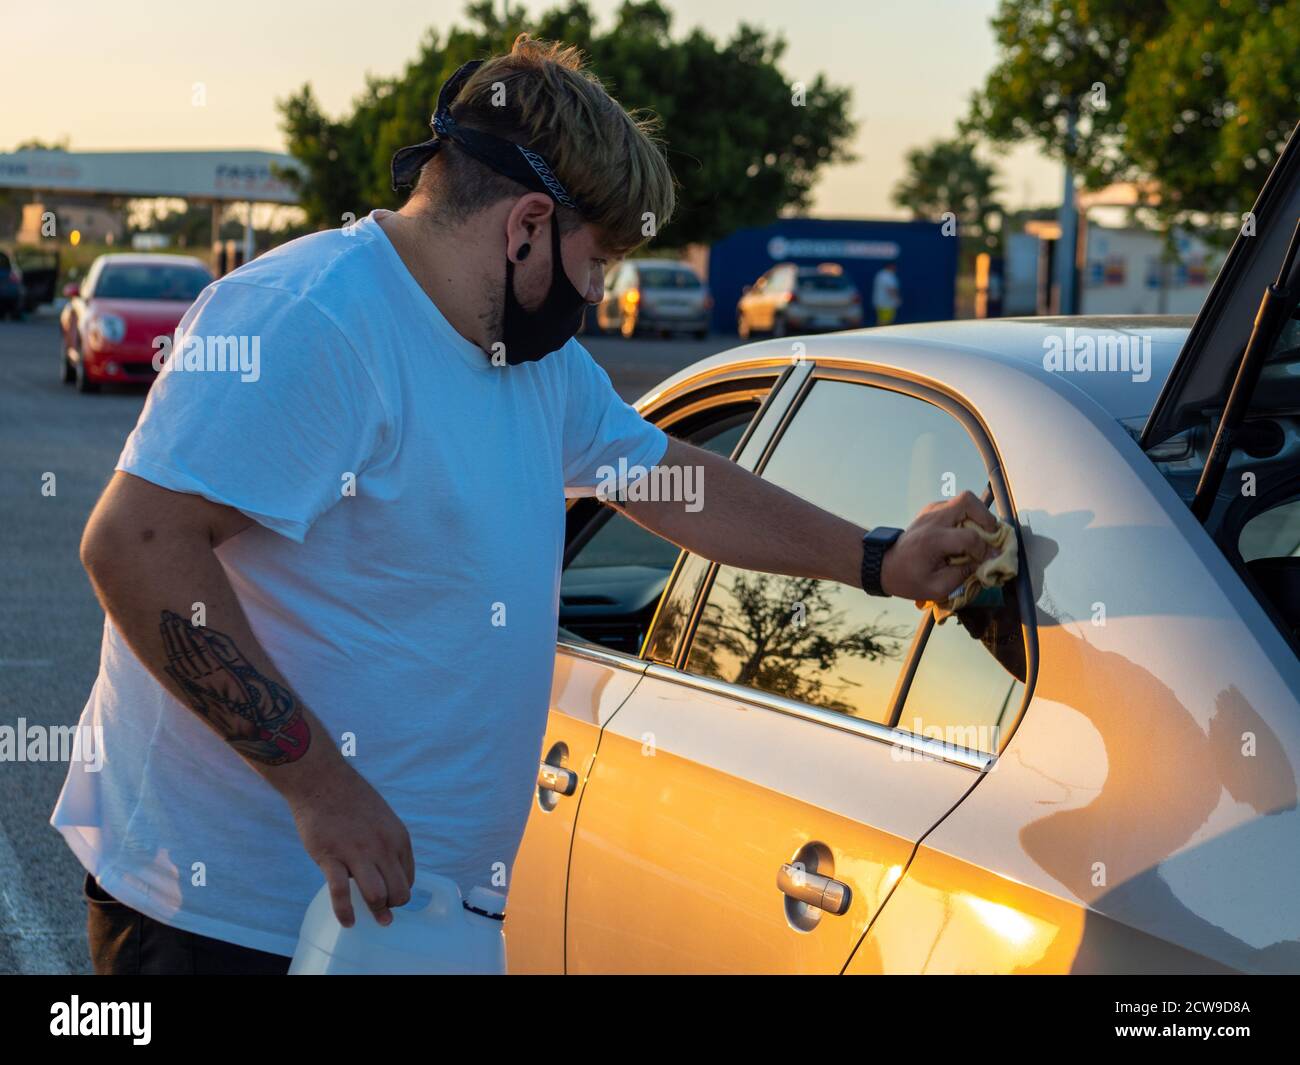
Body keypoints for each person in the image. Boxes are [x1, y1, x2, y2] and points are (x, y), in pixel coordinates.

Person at [53, 35, 998, 974]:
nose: (597, 293)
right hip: (223, 914)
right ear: (527, 224)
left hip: (406, 923)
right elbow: (136, 545)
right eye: (601, 262)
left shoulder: (531, 361)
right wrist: (324, 787)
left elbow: (672, 482)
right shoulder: (314, 321)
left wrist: (878, 558)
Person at [873, 260, 901, 325]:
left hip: (882, 303)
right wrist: (897, 299)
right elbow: (891, 289)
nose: (895, 268)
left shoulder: (881, 274)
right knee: (884, 322)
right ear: (891, 266)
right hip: (886, 304)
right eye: (894, 266)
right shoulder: (887, 276)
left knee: (883, 321)